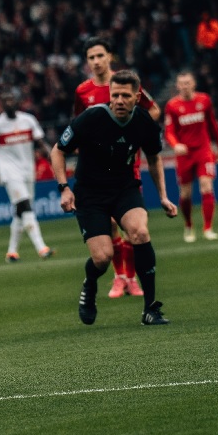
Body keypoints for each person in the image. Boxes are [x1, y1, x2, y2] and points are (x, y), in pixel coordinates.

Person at [51, 70, 177, 327]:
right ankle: (90, 284)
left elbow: (154, 158)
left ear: (137, 96)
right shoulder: (92, 117)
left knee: (140, 233)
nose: (119, 100)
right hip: (90, 194)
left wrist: (163, 196)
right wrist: (64, 187)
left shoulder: (144, 122)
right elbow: (58, 150)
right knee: (102, 258)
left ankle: (150, 309)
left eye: (125, 95)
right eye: (115, 95)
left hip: (124, 189)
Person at [74, 36, 161, 299]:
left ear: (109, 56)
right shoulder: (82, 92)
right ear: (87, 61)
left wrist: (134, 131)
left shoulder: (125, 83)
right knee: (110, 226)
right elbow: (78, 125)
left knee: (131, 228)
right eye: (91, 57)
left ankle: (132, 278)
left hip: (126, 167)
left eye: (101, 55)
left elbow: (154, 110)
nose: (97, 61)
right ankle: (120, 276)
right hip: (98, 173)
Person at [0, 92, 54, 263]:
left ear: (18, 102)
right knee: (25, 206)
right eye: (5, 100)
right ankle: (42, 248)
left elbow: (42, 144)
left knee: (20, 212)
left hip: (28, 170)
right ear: (0, 104)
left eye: (11, 99)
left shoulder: (28, 120)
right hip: (9, 172)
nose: (8, 103)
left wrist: (54, 160)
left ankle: (12, 252)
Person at [163, 71, 218, 242]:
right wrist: (176, 145)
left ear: (194, 84)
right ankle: (189, 225)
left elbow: (212, 124)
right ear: (177, 86)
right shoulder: (172, 106)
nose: (185, 86)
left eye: (188, 83)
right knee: (186, 194)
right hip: (185, 153)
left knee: (206, 186)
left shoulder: (204, 100)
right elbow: (169, 131)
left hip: (203, 150)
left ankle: (208, 228)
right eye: (182, 83)